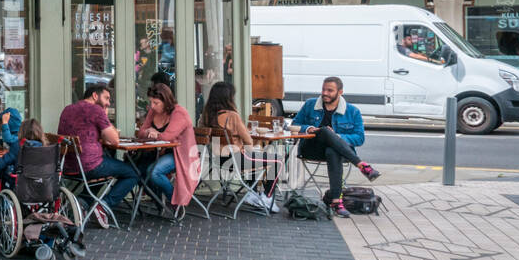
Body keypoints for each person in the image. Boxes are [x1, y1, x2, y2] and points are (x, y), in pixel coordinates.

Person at [292, 76, 381, 218]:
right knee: (325, 131)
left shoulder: (352, 111)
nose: (325, 93)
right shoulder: (310, 105)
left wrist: (337, 137)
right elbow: (294, 124)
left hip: (337, 152)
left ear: (340, 92)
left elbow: (359, 138)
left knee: (333, 150)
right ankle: (362, 165)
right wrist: (309, 128)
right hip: (312, 149)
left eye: (330, 90)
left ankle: (336, 201)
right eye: (323, 89)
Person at [58, 83, 138, 222]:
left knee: (104, 166)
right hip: (88, 166)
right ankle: (104, 205)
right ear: (95, 95)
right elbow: (114, 140)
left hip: (67, 166)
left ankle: (82, 203)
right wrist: (105, 117)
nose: (107, 103)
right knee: (133, 173)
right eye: (106, 98)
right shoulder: (96, 110)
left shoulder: (67, 109)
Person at [199, 81, 279, 213]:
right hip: (235, 160)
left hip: (219, 161)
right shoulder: (232, 116)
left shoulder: (207, 116)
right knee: (277, 160)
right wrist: (248, 150)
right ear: (228, 98)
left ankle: (252, 193)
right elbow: (248, 140)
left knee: (254, 158)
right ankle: (267, 198)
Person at [134, 83, 198, 208]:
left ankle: (175, 202)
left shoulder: (179, 113)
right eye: (151, 102)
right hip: (160, 153)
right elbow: (141, 133)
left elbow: (167, 137)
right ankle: (158, 200)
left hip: (180, 155)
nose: (152, 106)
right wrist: (149, 132)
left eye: (156, 103)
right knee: (136, 171)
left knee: (154, 172)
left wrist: (155, 133)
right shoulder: (153, 112)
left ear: (166, 101)